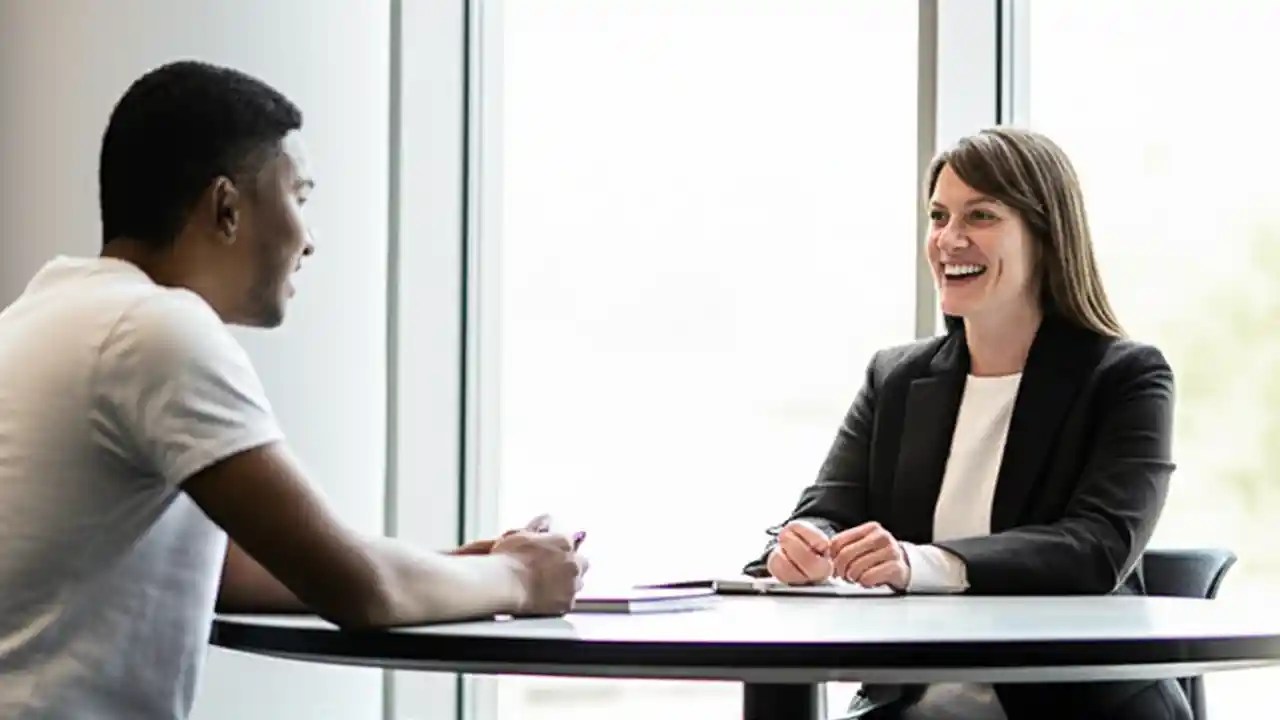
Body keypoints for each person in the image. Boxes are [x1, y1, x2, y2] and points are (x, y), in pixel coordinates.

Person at [0, 60, 586, 719]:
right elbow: (358, 590)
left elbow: (242, 573)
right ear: (226, 208)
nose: (309, 240)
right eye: (299, 197)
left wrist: (456, 569)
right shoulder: (158, 331)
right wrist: (522, 578)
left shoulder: (47, 314)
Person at [744, 128, 1191, 720]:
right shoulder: (896, 377)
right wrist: (800, 547)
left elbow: (1096, 547)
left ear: (1045, 235)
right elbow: (828, 507)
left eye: (980, 215)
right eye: (938, 216)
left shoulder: (1126, 377)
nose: (949, 239)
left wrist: (919, 563)